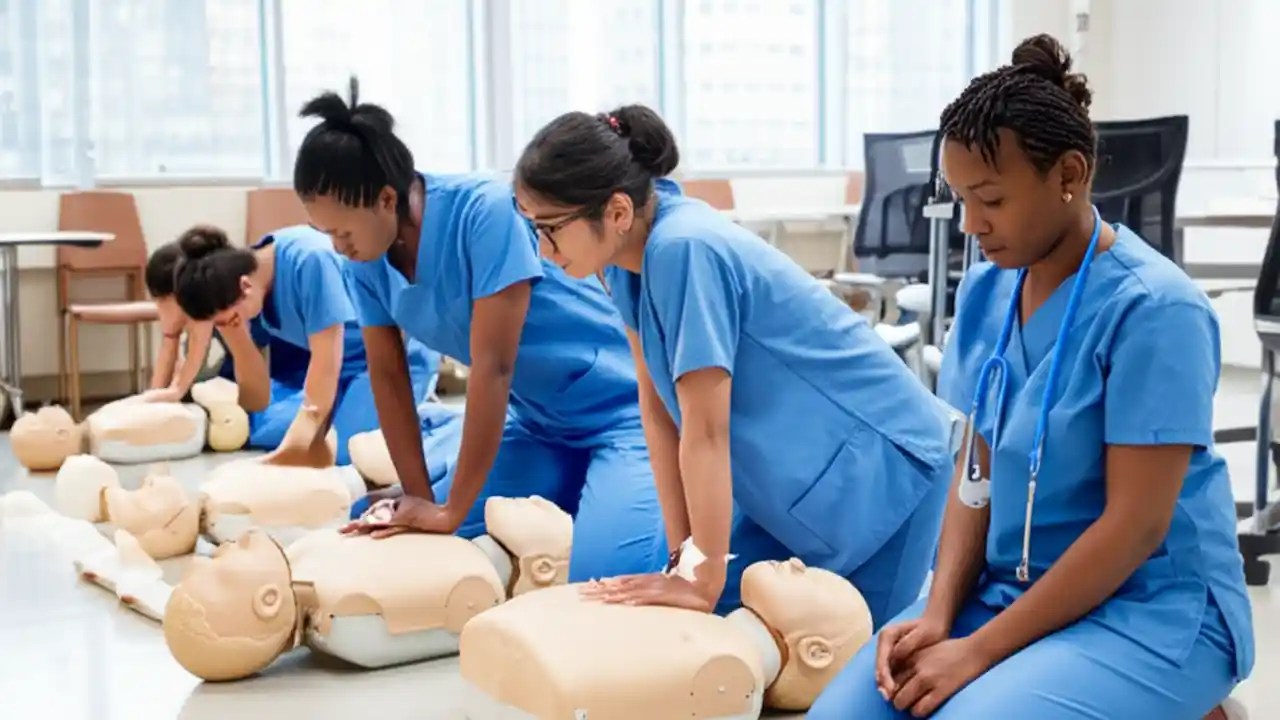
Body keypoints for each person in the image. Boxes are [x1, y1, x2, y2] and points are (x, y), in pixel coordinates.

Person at [809, 34, 1254, 719]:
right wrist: (939, 611)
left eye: (989, 198)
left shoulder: (1155, 311)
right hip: (1006, 591)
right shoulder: (988, 294)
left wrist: (978, 651)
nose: (970, 224)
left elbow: (1135, 527)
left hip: (1149, 607)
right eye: (959, 198)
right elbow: (974, 475)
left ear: (1069, 173)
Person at [512, 104, 957, 623]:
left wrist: (700, 580)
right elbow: (657, 408)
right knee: (679, 622)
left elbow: (705, 432)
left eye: (550, 229)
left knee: (848, 670)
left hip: (885, 472)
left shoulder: (684, 250)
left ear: (615, 212)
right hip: (795, 480)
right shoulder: (625, 259)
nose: (543, 251)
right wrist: (684, 560)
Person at [296, 79, 665, 581]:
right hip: (538, 424)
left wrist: (447, 512)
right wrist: (418, 496)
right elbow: (388, 374)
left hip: (621, 413)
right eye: (326, 236)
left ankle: (654, 492)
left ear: (385, 199)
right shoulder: (367, 257)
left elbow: (493, 367)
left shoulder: (484, 211)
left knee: (604, 576)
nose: (339, 247)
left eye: (343, 232)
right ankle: (580, 486)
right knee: (387, 524)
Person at [171, 223, 441, 467]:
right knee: (261, 429)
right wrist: (236, 334)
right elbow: (256, 397)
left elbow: (326, 362)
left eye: (229, 319)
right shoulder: (246, 283)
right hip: (344, 367)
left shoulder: (311, 260)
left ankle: (427, 422)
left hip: (393, 354)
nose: (228, 325)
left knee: (350, 451)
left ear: (245, 287)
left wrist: (299, 442)